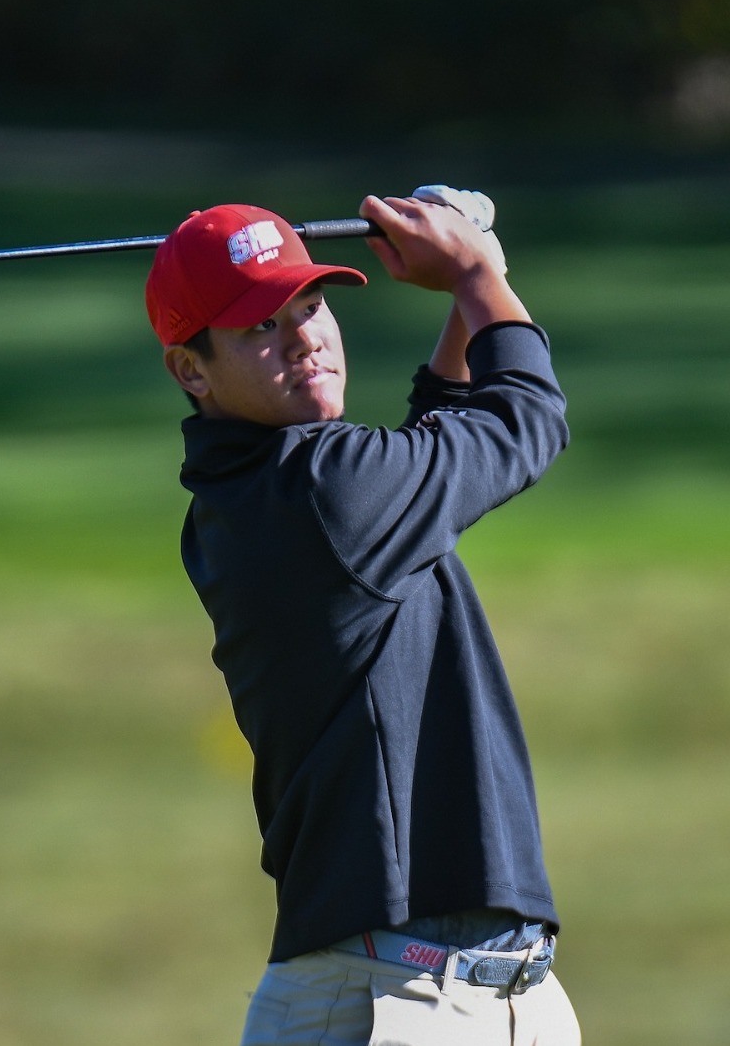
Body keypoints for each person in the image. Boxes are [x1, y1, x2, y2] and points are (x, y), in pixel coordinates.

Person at [145, 189, 580, 1046]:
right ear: (190, 369)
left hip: (457, 992)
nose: (304, 333)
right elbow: (526, 416)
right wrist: (471, 271)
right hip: (399, 1002)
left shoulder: (271, 489)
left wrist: (476, 289)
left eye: (308, 306)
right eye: (259, 327)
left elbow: (444, 425)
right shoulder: (322, 491)